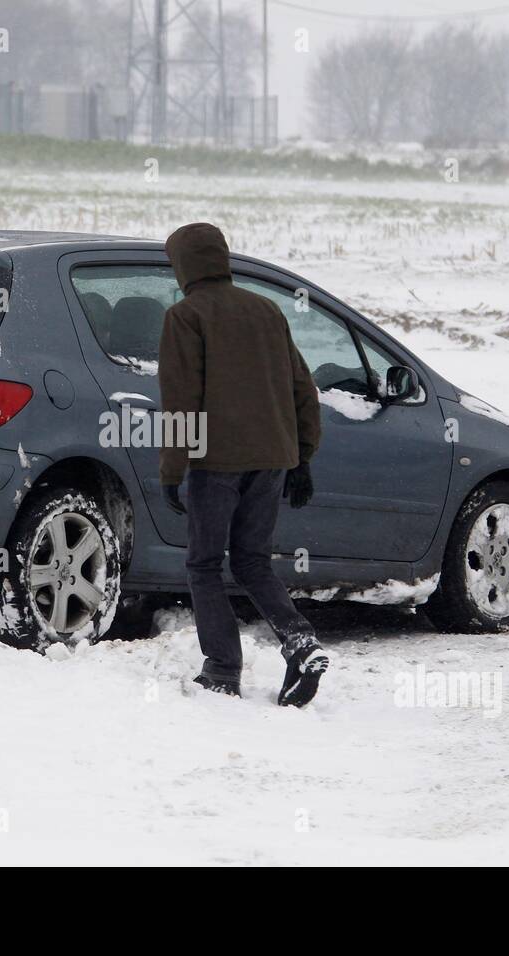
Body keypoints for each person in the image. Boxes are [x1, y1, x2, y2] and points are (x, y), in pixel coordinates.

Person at [158, 222, 329, 706]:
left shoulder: (185, 317)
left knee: (205, 565)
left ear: (183, 266)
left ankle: (221, 670)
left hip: (217, 463)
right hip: (273, 459)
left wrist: (173, 470)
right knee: (253, 562)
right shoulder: (267, 310)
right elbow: (303, 389)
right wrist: (302, 457)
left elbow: (180, 403)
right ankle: (299, 640)